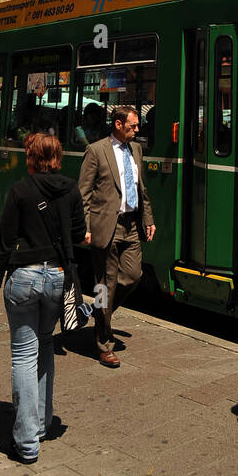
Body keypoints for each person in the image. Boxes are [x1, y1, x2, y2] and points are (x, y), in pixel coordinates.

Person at [0, 133, 86, 463]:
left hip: (23, 280)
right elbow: (80, 234)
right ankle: (40, 424)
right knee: (46, 344)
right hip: (56, 279)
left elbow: (3, 242)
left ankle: (26, 443)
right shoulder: (71, 189)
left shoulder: (20, 190)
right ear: (57, 155)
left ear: (31, 156)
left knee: (24, 354)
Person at [78, 103, 155, 368]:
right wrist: (85, 227)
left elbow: (140, 188)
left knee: (133, 276)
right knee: (104, 284)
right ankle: (104, 344)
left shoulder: (136, 149)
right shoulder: (96, 151)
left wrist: (148, 218)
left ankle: (100, 312)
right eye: (133, 125)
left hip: (131, 225)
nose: (137, 129)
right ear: (118, 125)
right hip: (105, 226)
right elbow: (83, 194)